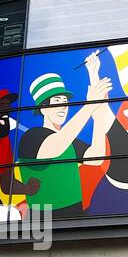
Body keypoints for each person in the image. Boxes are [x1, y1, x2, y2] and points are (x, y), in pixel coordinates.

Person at [18, 54, 113, 217]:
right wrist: (90, 105)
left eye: (65, 101)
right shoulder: (31, 137)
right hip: (44, 220)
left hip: (75, 215)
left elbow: (96, 157)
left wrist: (97, 114)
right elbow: (55, 147)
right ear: (42, 108)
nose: (64, 106)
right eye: (57, 101)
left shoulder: (68, 140)